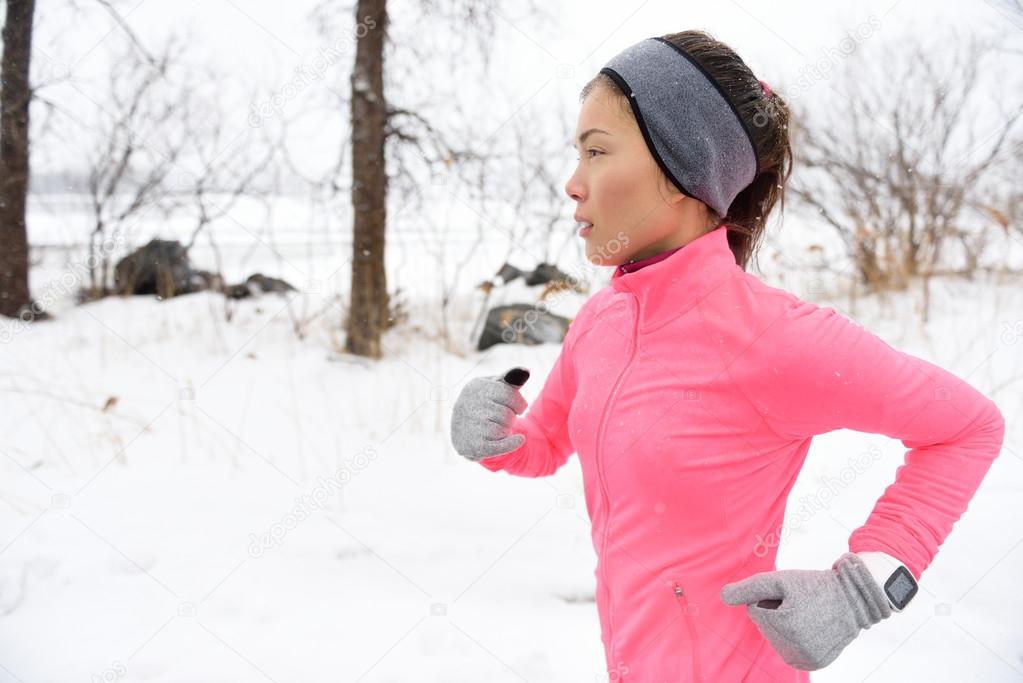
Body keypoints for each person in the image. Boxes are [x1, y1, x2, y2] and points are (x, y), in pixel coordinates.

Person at [450, 30, 1006, 682]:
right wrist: (496, 437)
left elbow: (968, 428)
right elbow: (544, 440)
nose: (573, 184)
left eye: (597, 152)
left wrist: (865, 584)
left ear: (684, 168)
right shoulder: (602, 318)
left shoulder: (773, 337)